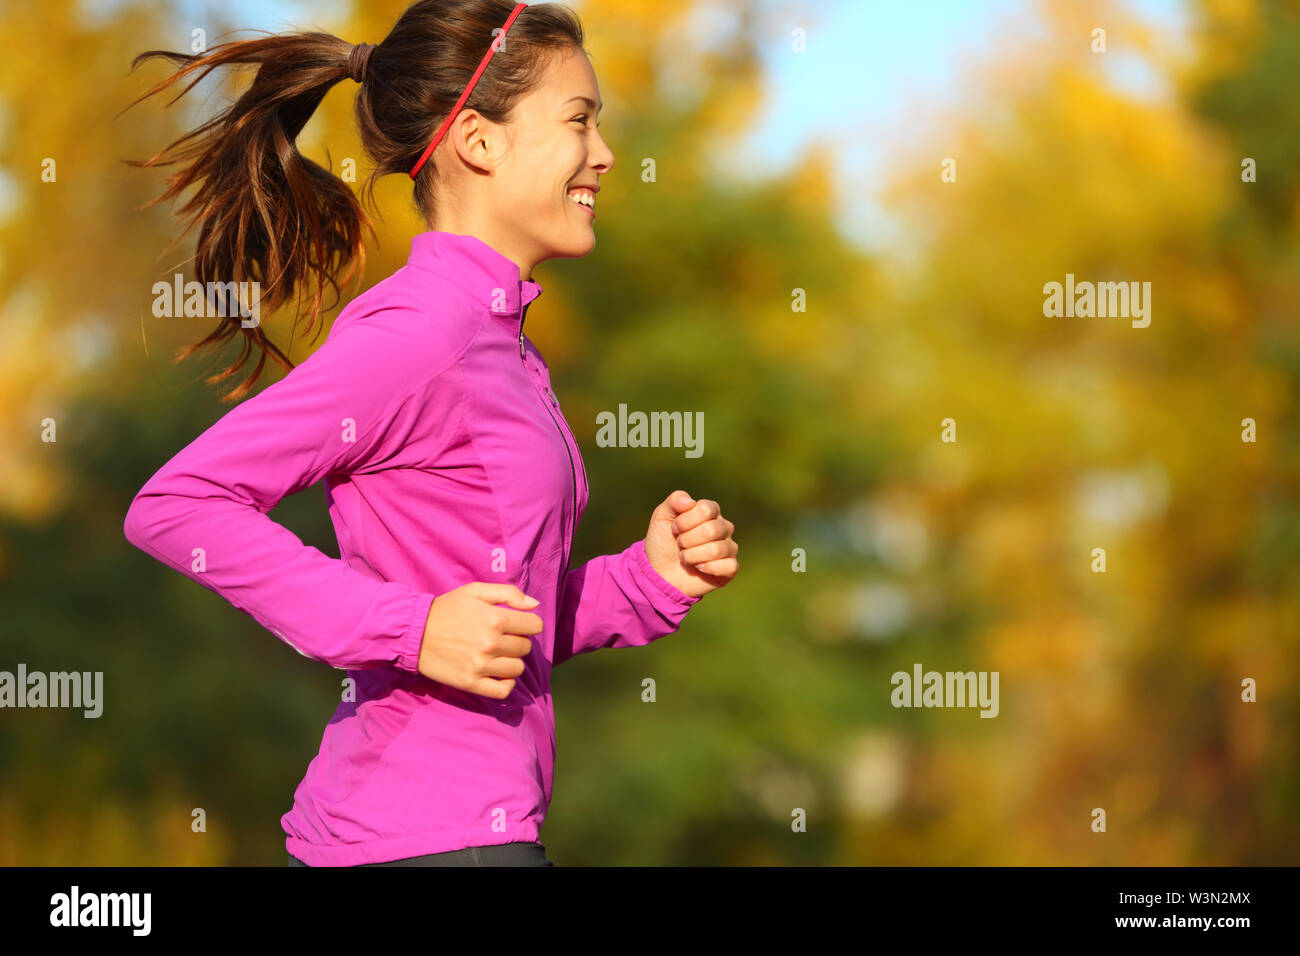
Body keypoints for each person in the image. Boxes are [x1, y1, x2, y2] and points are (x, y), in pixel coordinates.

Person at [120, 0, 739, 867]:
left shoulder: (503, 346)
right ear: (478, 142)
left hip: (457, 835)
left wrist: (645, 582)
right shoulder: (421, 335)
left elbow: (497, 625)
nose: (603, 153)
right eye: (578, 121)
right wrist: (409, 630)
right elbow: (175, 505)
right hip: (428, 844)